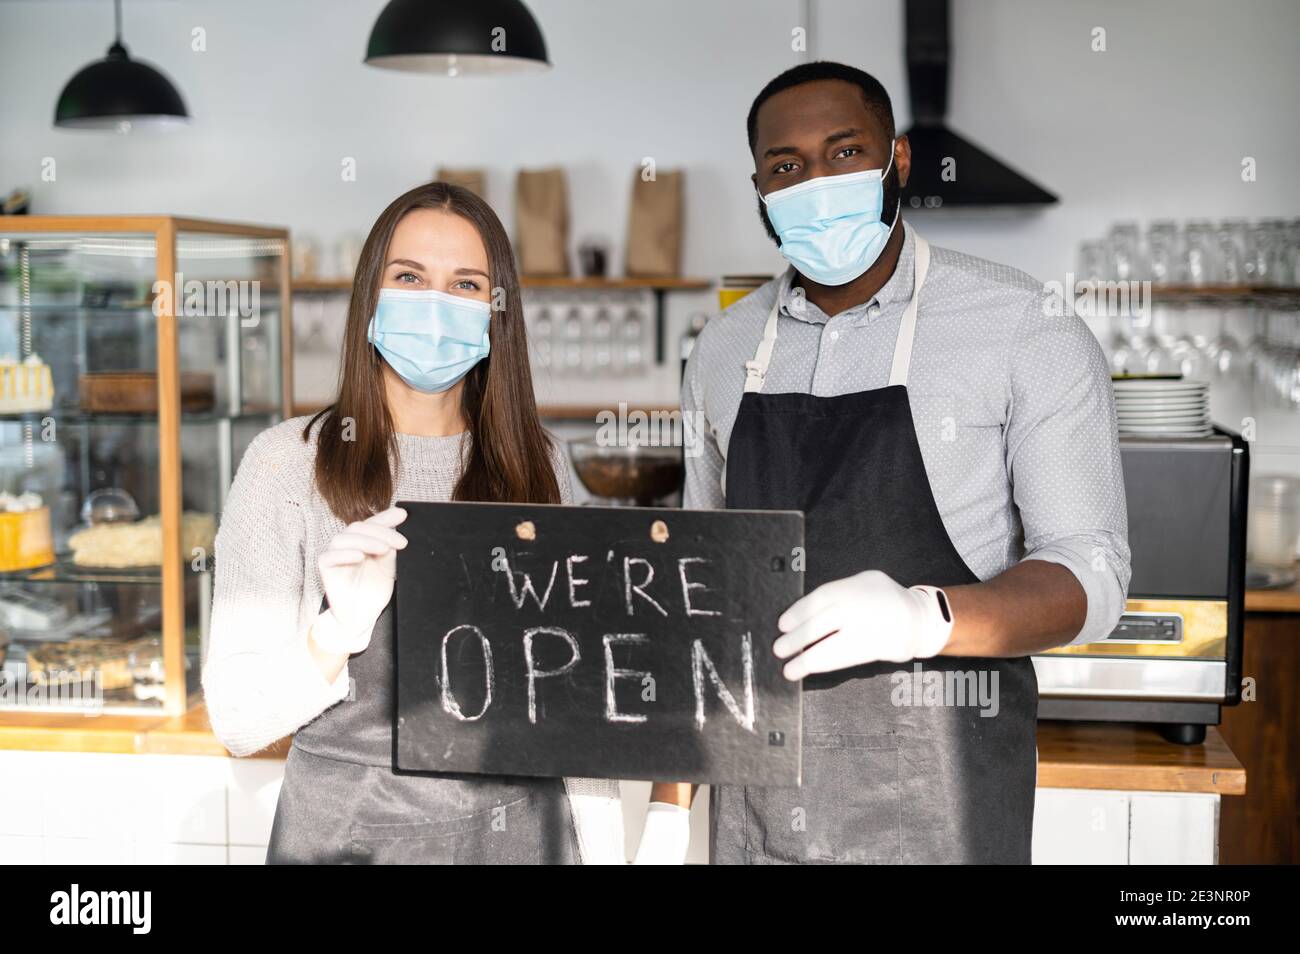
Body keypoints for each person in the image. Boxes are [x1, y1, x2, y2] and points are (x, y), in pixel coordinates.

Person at [637, 61, 1130, 864]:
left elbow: (1092, 574)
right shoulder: (723, 352)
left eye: (844, 152)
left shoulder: (1022, 327)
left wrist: (923, 616)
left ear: (897, 162)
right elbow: (706, 598)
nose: (816, 180)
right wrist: (666, 807)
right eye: (787, 166)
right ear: (760, 186)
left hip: (943, 800)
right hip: (758, 807)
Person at [203, 182, 624, 865]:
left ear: (496, 312)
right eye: (409, 277)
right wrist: (335, 631)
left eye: (464, 284)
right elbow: (238, 721)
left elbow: (566, 702)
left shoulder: (538, 463)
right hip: (350, 841)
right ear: (371, 296)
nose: (435, 303)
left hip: (525, 834)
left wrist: (609, 851)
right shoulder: (286, 465)